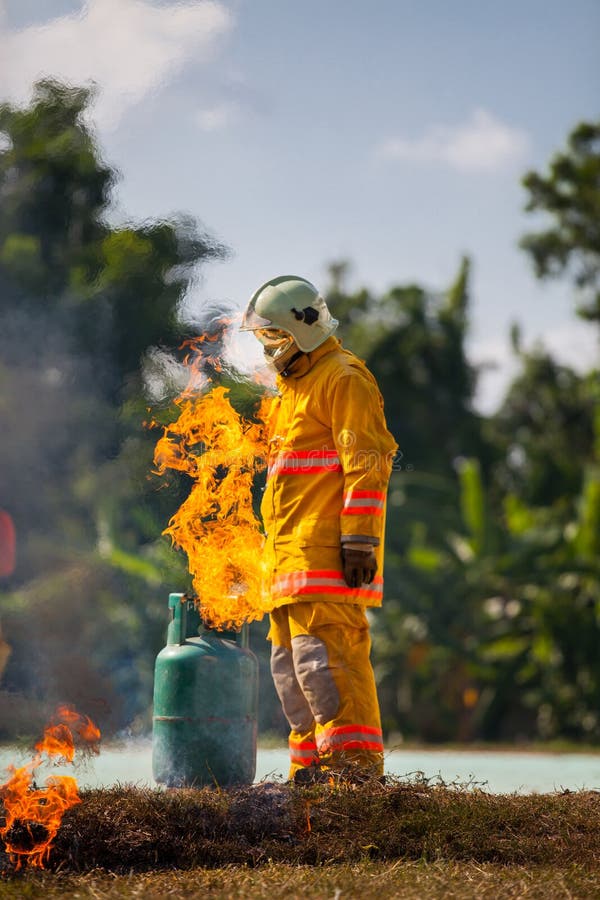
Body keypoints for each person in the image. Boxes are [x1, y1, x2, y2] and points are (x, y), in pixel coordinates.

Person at [241, 274, 398, 783]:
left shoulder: (343, 377)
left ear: (298, 330)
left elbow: (367, 463)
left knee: (329, 670)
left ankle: (354, 783)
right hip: (287, 567)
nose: (267, 346)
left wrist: (360, 540)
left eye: (272, 334)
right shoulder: (291, 389)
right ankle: (309, 784)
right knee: (294, 678)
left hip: (327, 559)